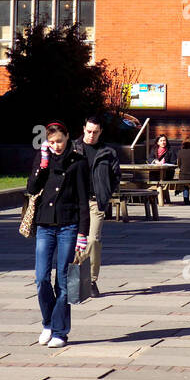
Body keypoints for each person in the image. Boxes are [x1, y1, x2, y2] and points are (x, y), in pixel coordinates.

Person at [26, 121, 90, 348]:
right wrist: (42, 165)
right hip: (45, 224)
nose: (56, 146)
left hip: (68, 226)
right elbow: (32, 188)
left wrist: (83, 234)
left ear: (68, 137)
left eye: (60, 141)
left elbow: (84, 200)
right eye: (51, 142)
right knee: (41, 277)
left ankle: (60, 332)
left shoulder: (79, 161)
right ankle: (47, 323)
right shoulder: (44, 158)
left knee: (63, 280)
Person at [71, 115, 120, 298]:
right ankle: (76, 279)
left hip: (95, 202)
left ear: (101, 132)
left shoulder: (108, 151)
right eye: (89, 131)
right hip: (75, 202)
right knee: (75, 243)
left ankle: (91, 280)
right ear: (83, 129)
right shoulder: (72, 148)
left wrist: (106, 193)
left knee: (93, 240)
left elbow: (116, 175)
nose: (91, 135)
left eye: (95, 132)